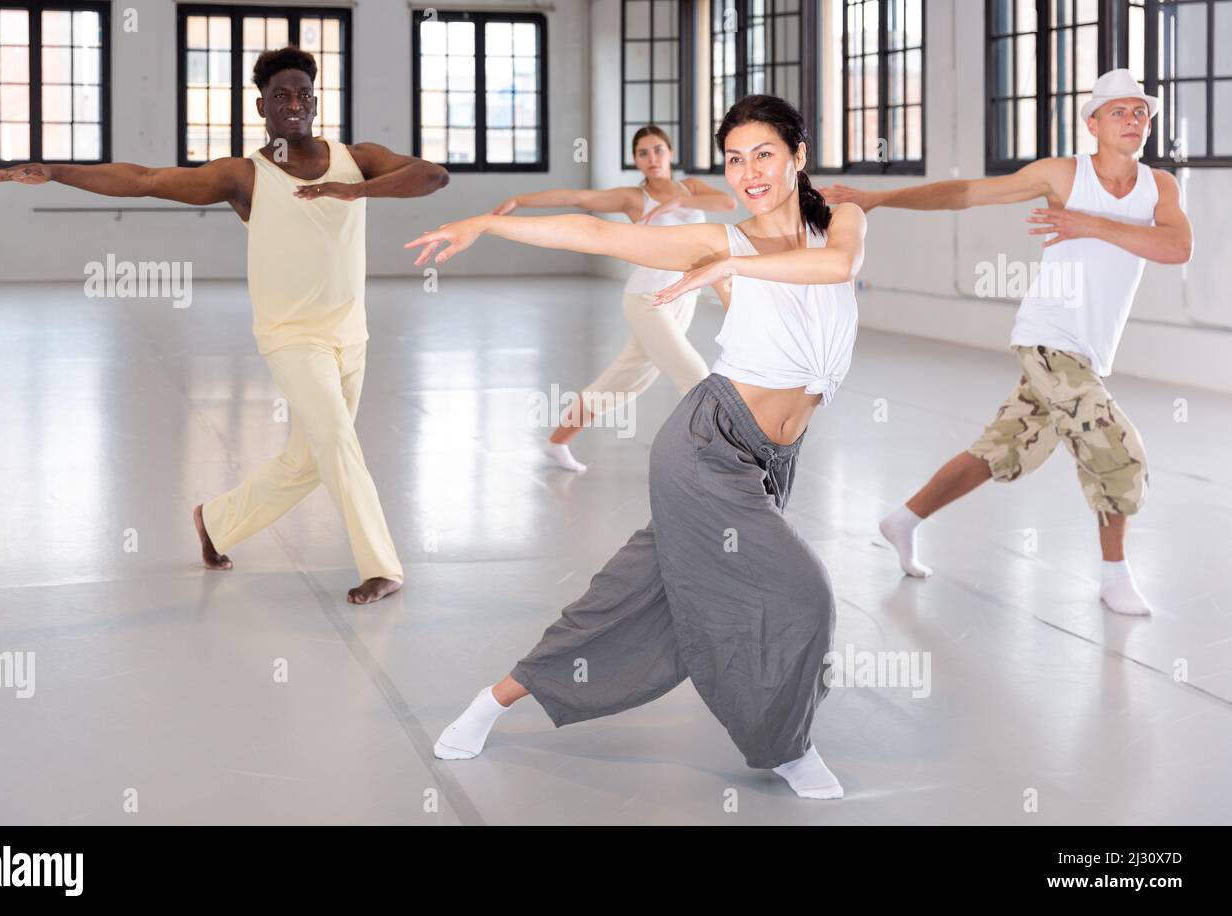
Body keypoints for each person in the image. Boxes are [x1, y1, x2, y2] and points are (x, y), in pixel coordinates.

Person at [409, 95, 864, 799]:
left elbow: (835, 268)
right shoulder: (718, 241)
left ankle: (489, 703)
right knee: (804, 596)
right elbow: (593, 233)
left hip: (771, 461)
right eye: (735, 158)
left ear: (799, 157)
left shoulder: (841, 222)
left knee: (634, 602)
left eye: (765, 154)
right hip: (707, 449)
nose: (749, 172)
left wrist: (733, 274)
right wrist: (489, 222)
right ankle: (786, 747)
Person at [0, 47, 450, 605]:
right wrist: (56, 171)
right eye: (281, 95)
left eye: (303, 93)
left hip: (351, 333)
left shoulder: (358, 158)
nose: (294, 103)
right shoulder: (244, 174)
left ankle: (217, 522)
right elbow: (146, 179)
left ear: (316, 101)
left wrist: (358, 189)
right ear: (262, 107)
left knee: (308, 460)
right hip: (291, 335)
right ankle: (382, 565)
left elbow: (432, 175)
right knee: (338, 440)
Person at [821, 69, 1193, 617]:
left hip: (1088, 350)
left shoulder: (1160, 186)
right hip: (1047, 340)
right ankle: (1115, 576)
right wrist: (882, 197)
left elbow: (1177, 246)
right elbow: (967, 193)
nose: (1134, 120)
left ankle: (903, 519)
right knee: (1119, 455)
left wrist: (1090, 225)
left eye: (1141, 112)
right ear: (1092, 122)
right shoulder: (1063, 175)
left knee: (999, 451)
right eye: (1119, 111)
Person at [490, 125, 735, 472]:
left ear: (670, 153)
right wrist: (520, 200)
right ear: (635, 160)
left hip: (684, 297)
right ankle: (719, 463)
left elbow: (727, 202)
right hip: (647, 299)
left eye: (658, 150)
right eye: (643, 153)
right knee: (694, 373)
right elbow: (579, 198)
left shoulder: (691, 187)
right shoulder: (633, 198)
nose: (652, 159)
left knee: (623, 383)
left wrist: (679, 200)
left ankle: (556, 442)